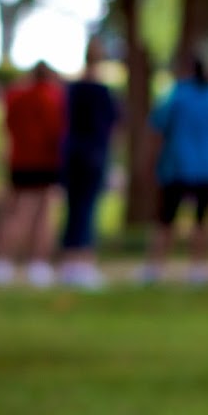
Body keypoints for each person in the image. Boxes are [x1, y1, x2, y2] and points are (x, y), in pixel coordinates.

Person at [141, 56, 208, 285]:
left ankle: (155, 267)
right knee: (201, 220)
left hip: (178, 165)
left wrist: (151, 160)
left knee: (165, 218)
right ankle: (198, 268)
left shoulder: (177, 94)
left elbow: (157, 127)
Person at [0, 62, 67, 286]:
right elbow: (56, 130)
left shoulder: (15, 96)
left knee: (15, 211)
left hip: (18, 159)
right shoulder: (51, 97)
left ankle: (4, 261)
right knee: (41, 213)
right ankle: (38, 262)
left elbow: (7, 124)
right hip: (44, 161)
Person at [57, 40, 120, 289]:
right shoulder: (101, 92)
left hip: (73, 154)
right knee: (87, 208)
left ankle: (69, 262)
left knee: (75, 208)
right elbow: (111, 127)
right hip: (92, 155)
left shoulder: (72, 90)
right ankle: (81, 263)